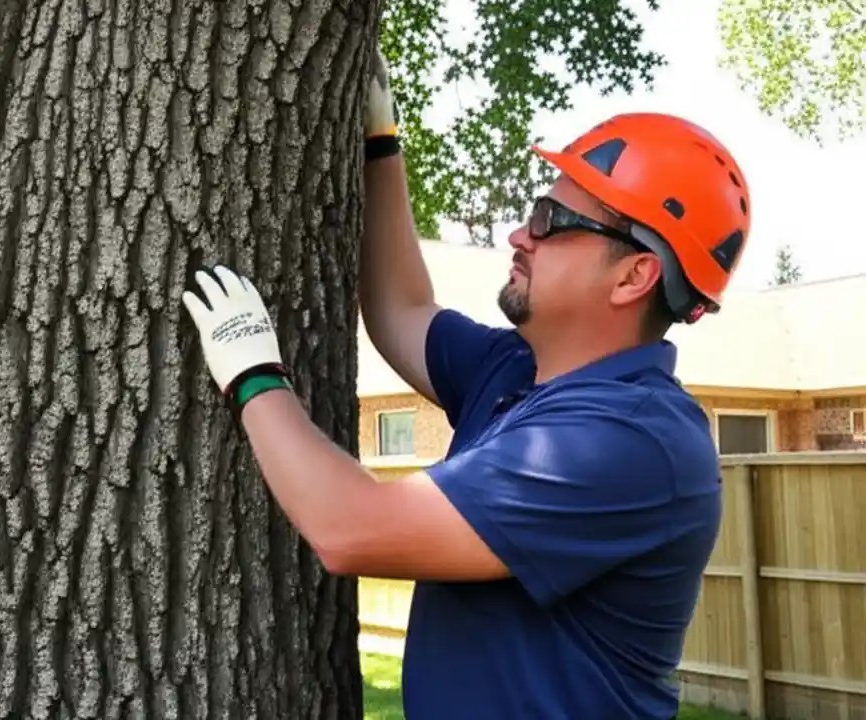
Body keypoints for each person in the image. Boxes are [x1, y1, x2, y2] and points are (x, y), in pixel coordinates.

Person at [181, 47, 753, 719]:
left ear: (634, 276)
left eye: (550, 221)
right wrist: (380, 142)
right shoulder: (518, 370)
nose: (520, 233)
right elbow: (401, 310)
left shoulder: (625, 443)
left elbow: (351, 528)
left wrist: (253, 376)